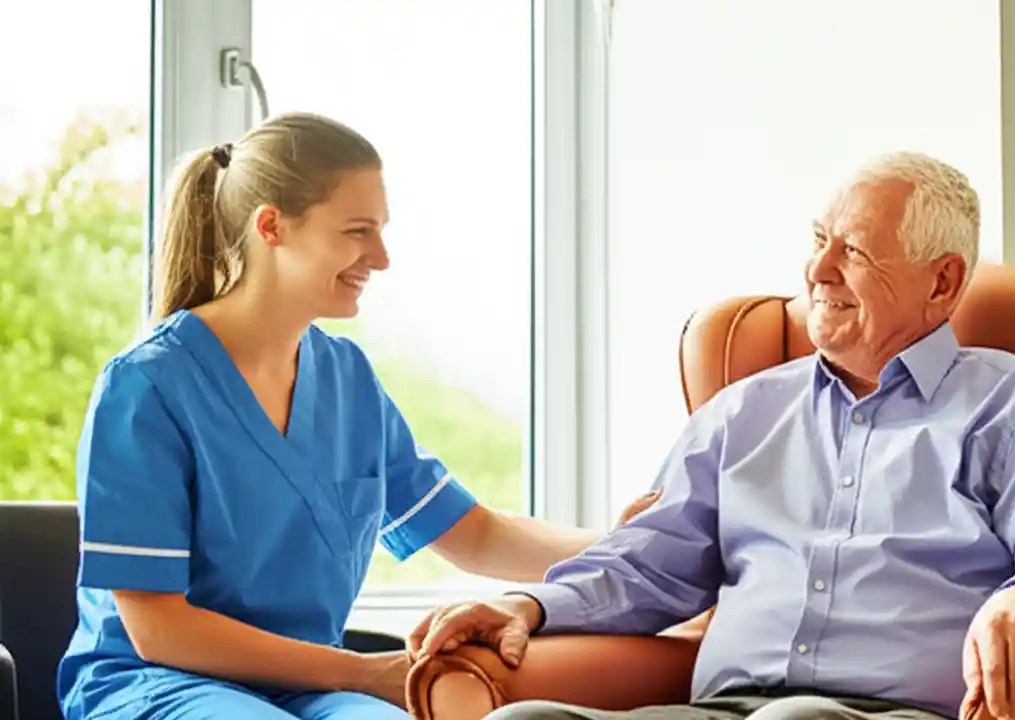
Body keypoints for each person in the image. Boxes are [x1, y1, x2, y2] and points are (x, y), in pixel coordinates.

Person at [411, 152, 1015, 720]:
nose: (817, 270)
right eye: (819, 240)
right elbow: (647, 567)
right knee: (528, 718)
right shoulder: (744, 413)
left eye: (854, 252)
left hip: (895, 714)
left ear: (942, 280)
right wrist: (528, 606)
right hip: (725, 708)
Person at [57, 112, 657, 720]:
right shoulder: (146, 387)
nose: (381, 257)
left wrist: (634, 544)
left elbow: (475, 535)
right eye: (356, 231)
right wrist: (369, 672)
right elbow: (159, 631)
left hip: (308, 686)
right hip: (157, 682)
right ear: (272, 227)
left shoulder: (347, 380)